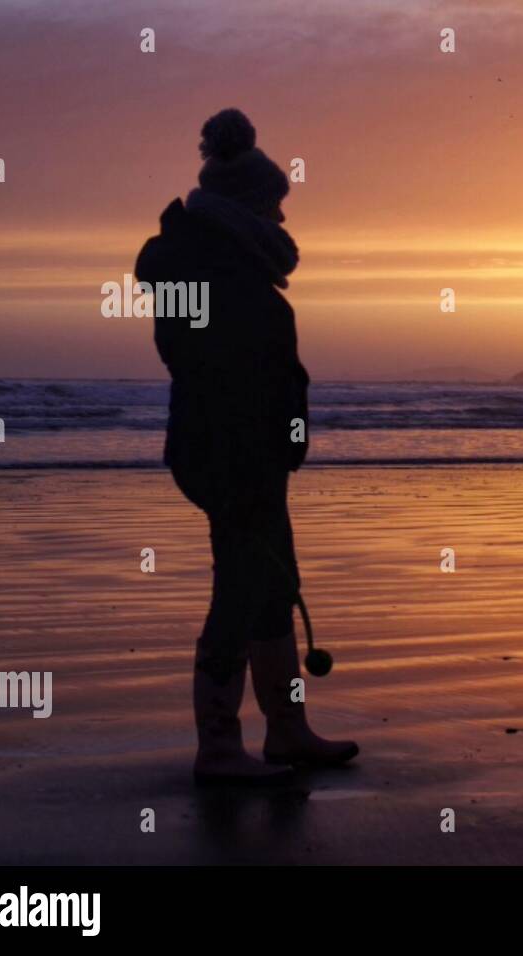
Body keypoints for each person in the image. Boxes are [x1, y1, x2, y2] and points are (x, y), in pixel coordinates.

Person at [136, 108, 358, 783]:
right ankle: (219, 745)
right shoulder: (203, 265)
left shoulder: (228, 261)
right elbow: (200, 364)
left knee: (273, 585)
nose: (284, 221)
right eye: (276, 206)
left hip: (253, 454)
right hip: (224, 454)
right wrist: (248, 442)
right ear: (247, 206)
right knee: (240, 585)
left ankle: (286, 731)